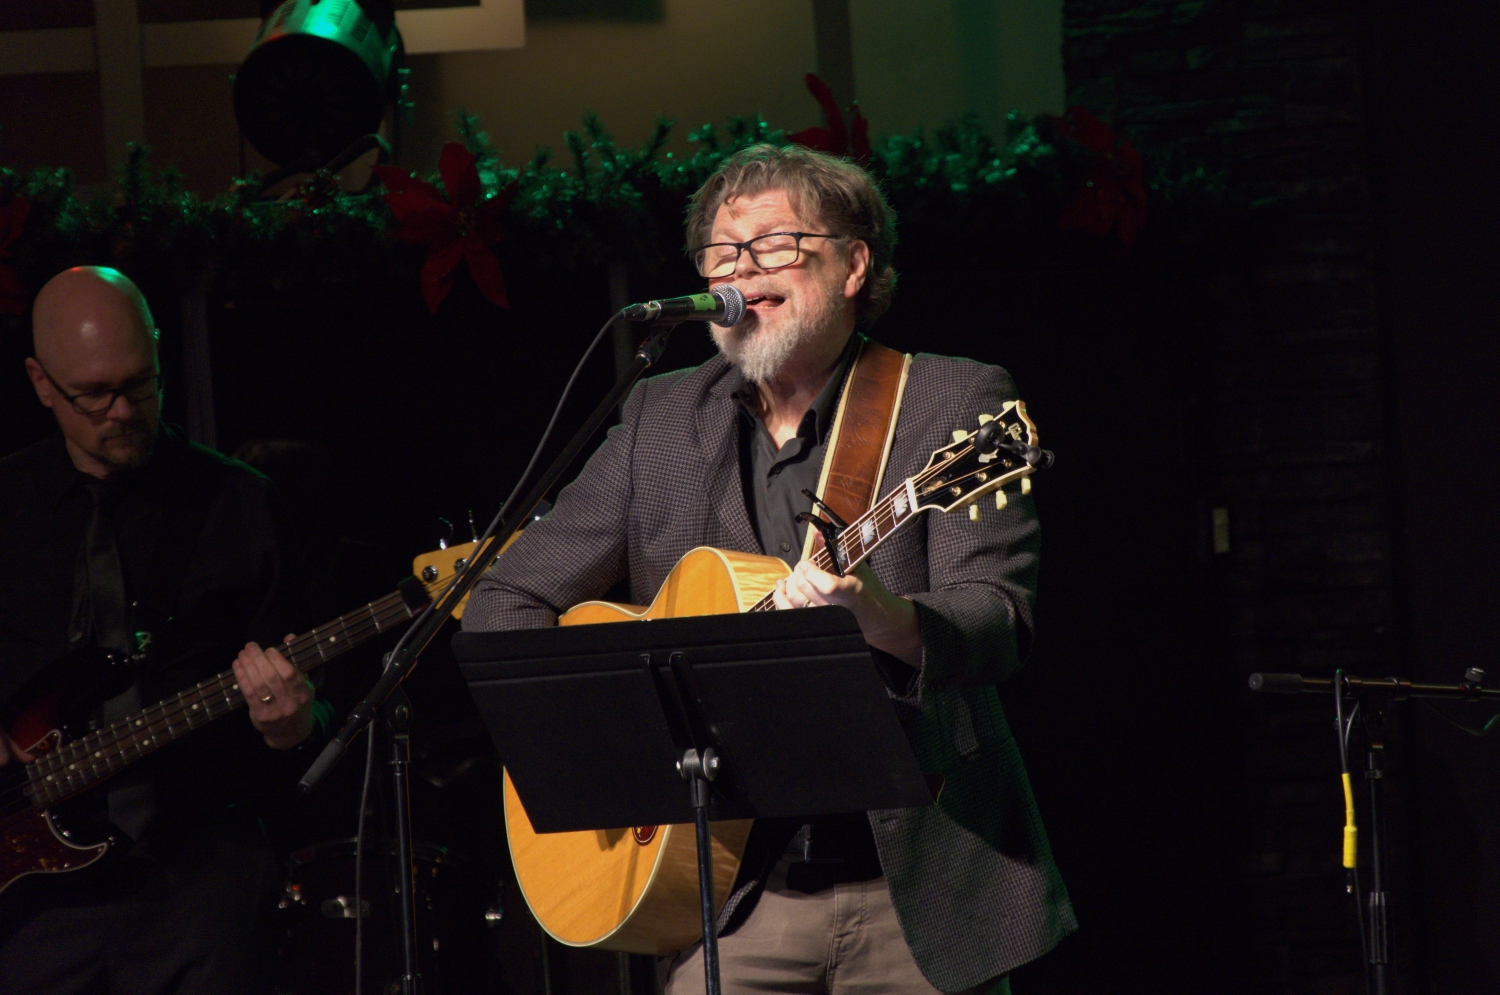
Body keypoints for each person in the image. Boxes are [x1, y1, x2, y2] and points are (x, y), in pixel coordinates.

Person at [463, 145, 1076, 994]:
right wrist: (608, 748)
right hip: (727, 897)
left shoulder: (951, 400)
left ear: (854, 263)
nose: (741, 268)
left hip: (918, 885)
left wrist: (887, 619)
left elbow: (999, 616)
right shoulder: (658, 414)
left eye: (775, 243)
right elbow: (505, 598)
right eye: (722, 250)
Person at [0, 266, 318, 995]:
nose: (123, 410)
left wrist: (289, 721)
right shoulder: (7, 505)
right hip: (29, 888)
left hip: (196, 871)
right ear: (41, 382)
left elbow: (317, 708)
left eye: (140, 384)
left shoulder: (241, 504)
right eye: (95, 395)